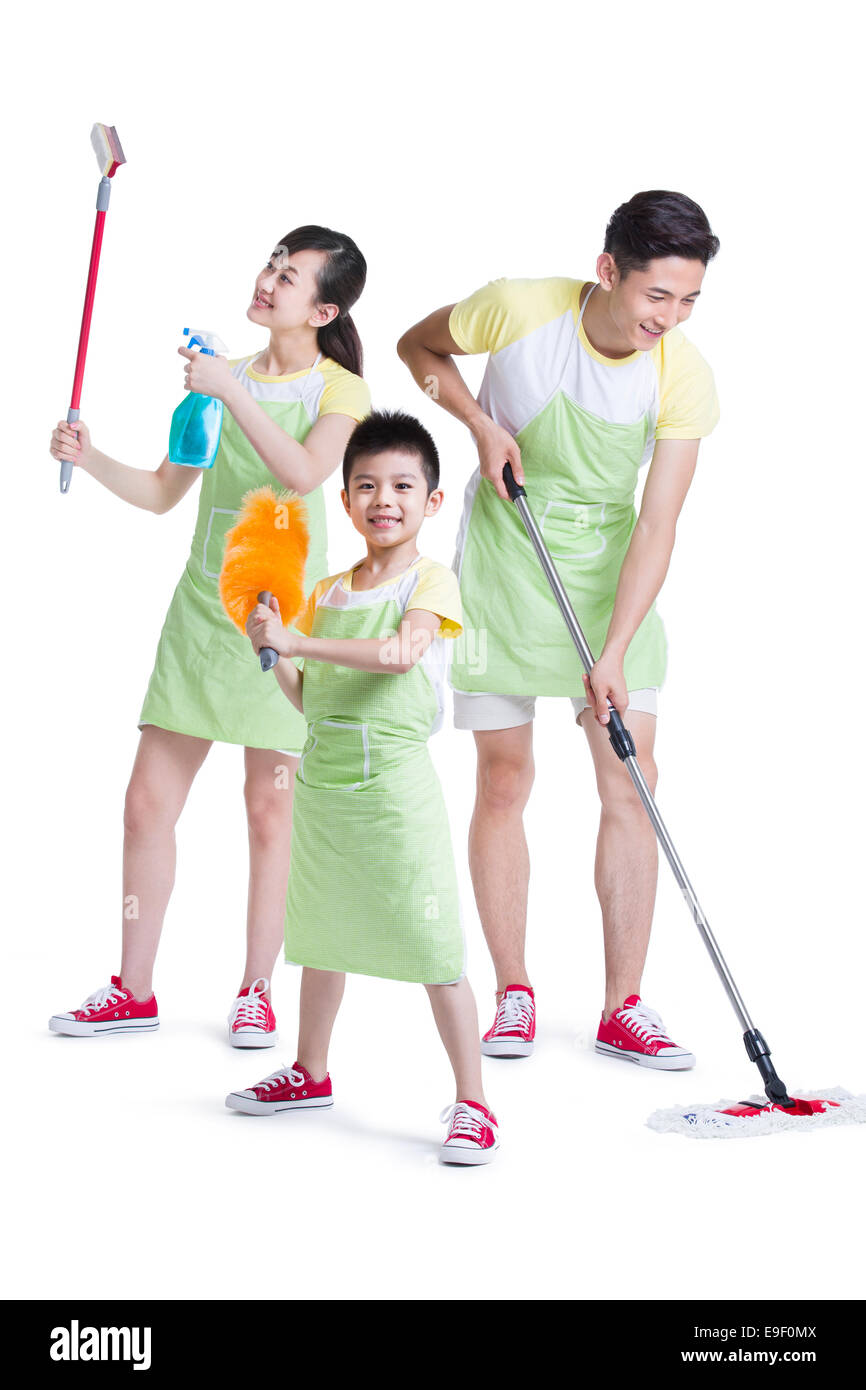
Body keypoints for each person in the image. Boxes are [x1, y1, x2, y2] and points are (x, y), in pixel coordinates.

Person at [396, 191, 720, 1068]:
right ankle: (515, 992)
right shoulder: (521, 307)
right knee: (504, 782)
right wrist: (477, 423)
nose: (671, 318)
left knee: (631, 779)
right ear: (609, 269)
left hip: (612, 580)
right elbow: (417, 348)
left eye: (689, 301)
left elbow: (659, 526)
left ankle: (623, 1005)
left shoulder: (681, 374)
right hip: (507, 565)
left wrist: (614, 649)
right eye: (658, 295)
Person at [48, 226, 370, 1048]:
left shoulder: (340, 392)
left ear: (324, 307)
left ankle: (257, 989)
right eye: (270, 264)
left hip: (284, 619)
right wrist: (92, 459)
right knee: (145, 802)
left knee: (270, 810)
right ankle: (133, 986)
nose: (268, 280)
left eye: (289, 276)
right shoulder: (214, 380)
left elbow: (302, 472)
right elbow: (163, 493)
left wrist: (232, 389)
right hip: (202, 610)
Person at [227, 410, 500, 1164]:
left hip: (395, 796)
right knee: (322, 937)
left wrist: (298, 640)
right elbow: (310, 698)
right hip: (324, 791)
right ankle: (311, 1072)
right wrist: (269, 644)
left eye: (403, 485)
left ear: (432, 501)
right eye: (367, 485)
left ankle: (474, 1103)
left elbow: (402, 654)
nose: (385, 499)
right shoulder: (328, 590)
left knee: (434, 947)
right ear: (346, 501)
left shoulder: (431, 580)